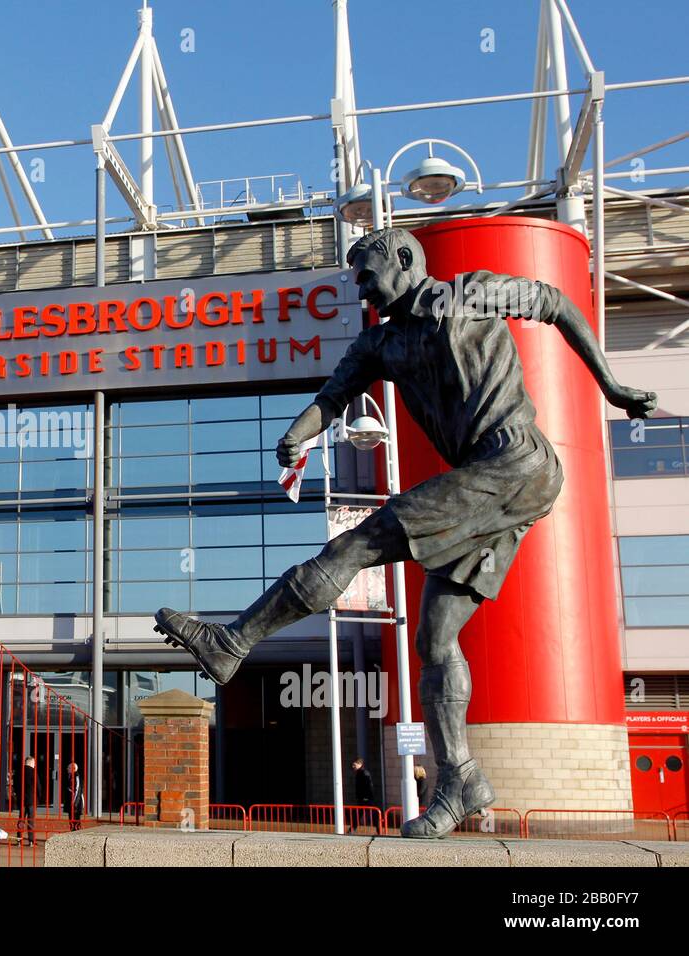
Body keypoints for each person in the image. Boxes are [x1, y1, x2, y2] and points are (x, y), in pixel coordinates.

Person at [154, 226, 657, 838]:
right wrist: (299, 432)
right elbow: (333, 397)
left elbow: (554, 304)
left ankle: (233, 642)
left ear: (404, 260)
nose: (362, 288)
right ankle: (461, 779)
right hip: (490, 478)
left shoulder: (469, 295)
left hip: (514, 461)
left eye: (368, 274)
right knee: (435, 640)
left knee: (355, 544)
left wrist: (611, 386)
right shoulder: (379, 345)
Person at [349, 757, 375, 833]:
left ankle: (379, 829)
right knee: (358, 814)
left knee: (372, 814)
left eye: (354, 765)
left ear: (360, 764)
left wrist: (367, 797)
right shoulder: (359, 773)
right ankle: (352, 829)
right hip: (362, 798)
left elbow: (369, 786)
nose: (353, 766)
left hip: (366, 798)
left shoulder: (364, 773)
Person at [16, 755, 37, 847]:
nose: (35, 764)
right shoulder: (33, 772)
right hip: (31, 800)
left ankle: (19, 840)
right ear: (31, 763)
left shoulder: (19, 772)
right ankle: (31, 841)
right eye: (34, 763)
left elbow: (15, 786)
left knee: (21, 819)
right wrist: (39, 797)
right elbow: (38, 786)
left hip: (22, 800)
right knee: (31, 820)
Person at [66, 762, 84, 831]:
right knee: (71, 819)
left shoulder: (76, 777)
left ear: (73, 769)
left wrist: (74, 803)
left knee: (76, 819)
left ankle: (76, 833)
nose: (67, 769)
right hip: (72, 802)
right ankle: (72, 831)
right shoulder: (70, 776)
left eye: (69, 768)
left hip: (76, 803)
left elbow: (77, 791)